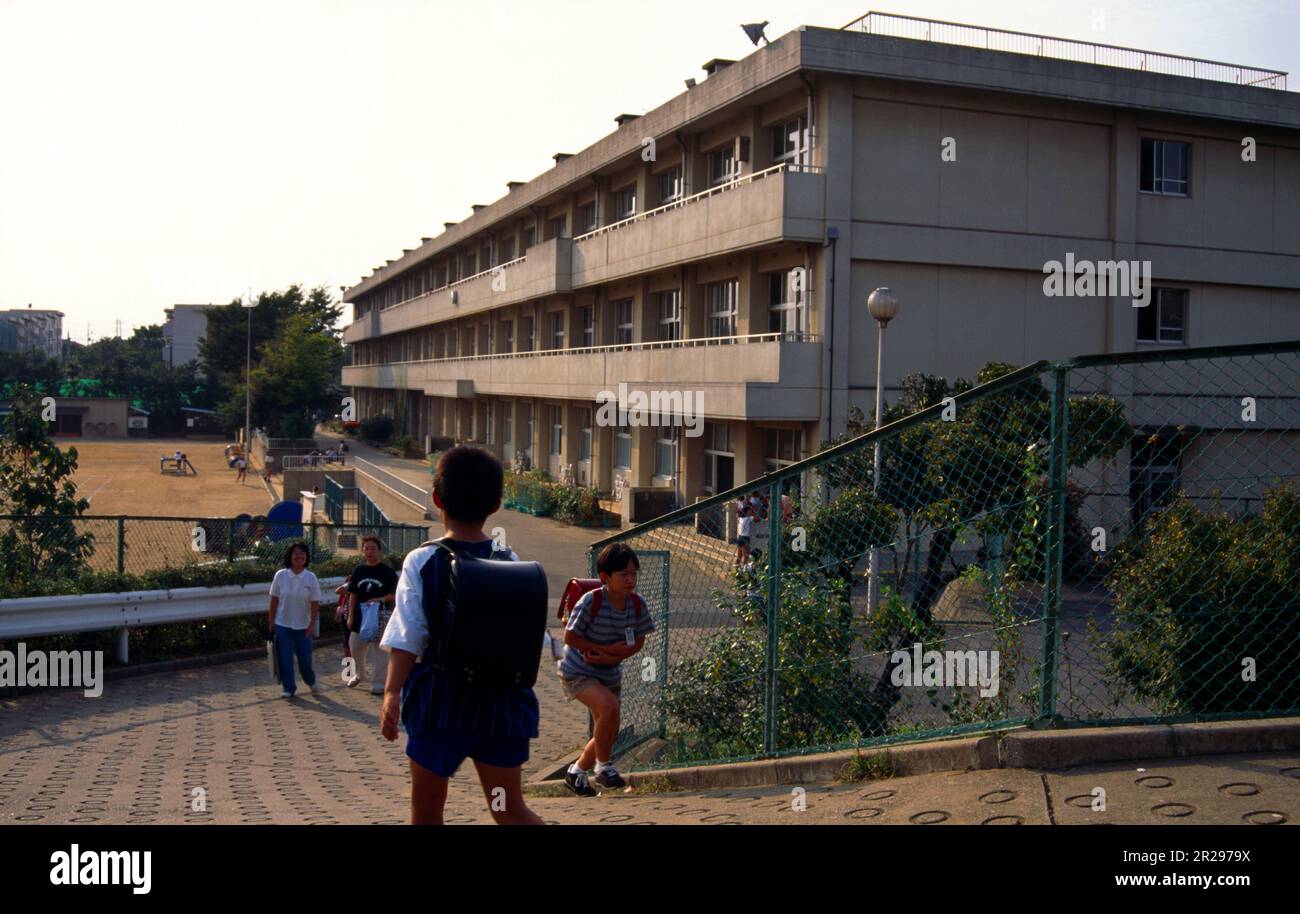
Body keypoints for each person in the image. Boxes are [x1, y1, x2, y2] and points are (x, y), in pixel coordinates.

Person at [379, 446, 544, 825]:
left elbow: (409, 634)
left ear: (437, 498)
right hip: (500, 710)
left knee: (426, 812)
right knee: (508, 809)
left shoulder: (423, 560)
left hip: (439, 708)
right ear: (498, 503)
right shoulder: (512, 561)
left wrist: (391, 694)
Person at [558, 543, 655, 797]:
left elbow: (639, 641)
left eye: (634, 574)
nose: (630, 579)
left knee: (608, 732)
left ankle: (576, 773)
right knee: (610, 708)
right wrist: (599, 650)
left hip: (609, 674)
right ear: (605, 577)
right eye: (624, 574)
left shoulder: (636, 605)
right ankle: (603, 769)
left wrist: (613, 654)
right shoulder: (591, 601)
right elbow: (570, 637)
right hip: (578, 672)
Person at [268, 542, 322, 698]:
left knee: (305, 660)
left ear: (306, 557)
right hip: (282, 623)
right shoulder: (281, 575)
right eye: (296, 554)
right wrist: (271, 621)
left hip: (303, 625)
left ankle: (310, 680)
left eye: (302, 554)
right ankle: (289, 688)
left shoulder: (310, 577)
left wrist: (312, 624)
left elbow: (315, 602)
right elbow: (274, 600)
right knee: (284, 658)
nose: (299, 557)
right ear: (290, 557)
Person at [346, 535, 398, 694]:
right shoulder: (359, 570)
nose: (370, 551)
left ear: (379, 551)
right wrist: (350, 615)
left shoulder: (387, 572)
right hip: (360, 616)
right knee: (355, 646)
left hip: (379, 616)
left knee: (379, 651)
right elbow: (353, 594)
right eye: (366, 548)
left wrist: (380, 599)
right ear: (362, 551)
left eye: (373, 548)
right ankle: (360, 674)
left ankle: (379, 684)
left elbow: (395, 595)